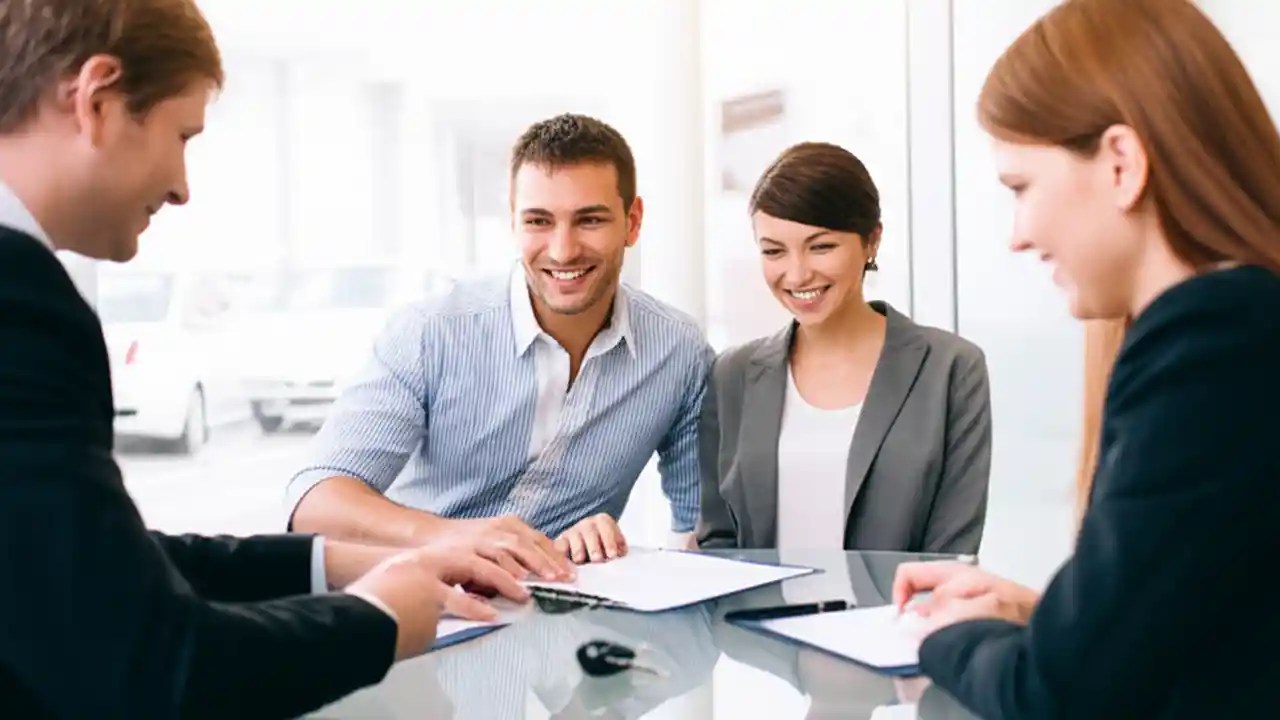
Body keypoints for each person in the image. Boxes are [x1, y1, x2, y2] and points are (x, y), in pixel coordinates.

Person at [0, 2, 529, 718]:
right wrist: (377, 619)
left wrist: (341, 563)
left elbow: (86, 562)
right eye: (181, 134)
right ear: (97, 99)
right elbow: (158, 666)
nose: (183, 187)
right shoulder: (21, 297)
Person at [892, 1, 1280, 717]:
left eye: (1021, 188)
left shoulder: (1210, 342)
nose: (1018, 235)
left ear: (1122, 164)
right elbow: (1229, 638)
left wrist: (946, 638)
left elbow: (1057, 697)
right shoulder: (1248, 326)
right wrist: (1044, 617)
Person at [287, 113, 714, 567]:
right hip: (424, 605)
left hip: (564, 615)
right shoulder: (431, 334)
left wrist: (617, 551)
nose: (563, 249)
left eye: (589, 221)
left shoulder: (679, 353)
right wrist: (452, 537)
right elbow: (315, 504)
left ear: (632, 222)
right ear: (513, 222)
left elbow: (701, 532)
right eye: (539, 221)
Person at [697, 142, 992, 554]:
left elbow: (953, 551)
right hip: (749, 618)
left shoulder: (952, 369)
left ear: (871, 241)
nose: (797, 273)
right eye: (773, 251)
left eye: (821, 246)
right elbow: (718, 539)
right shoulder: (733, 374)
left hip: (895, 617)